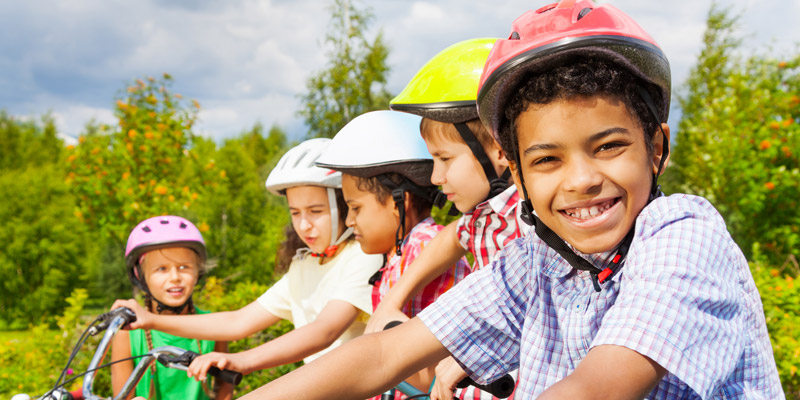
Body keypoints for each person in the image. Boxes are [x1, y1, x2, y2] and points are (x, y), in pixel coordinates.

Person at [239, 1, 784, 399]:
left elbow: (598, 389)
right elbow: (383, 353)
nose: (580, 180)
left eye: (609, 146)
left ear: (656, 147)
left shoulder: (683, 236)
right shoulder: (536, 262)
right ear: (517, 173)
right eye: (547, 160)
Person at [113, 138, 383, 385]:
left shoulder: (362, 257)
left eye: (316, 211)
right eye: (295, 212)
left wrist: (243, 360)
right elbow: (238, 322)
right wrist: (149, 320)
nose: (304, 225)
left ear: (344, 206)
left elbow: (324, 330)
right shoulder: (304, 265)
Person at [371, 38, 522, 400]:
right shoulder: (481, 219)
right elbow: (451, 238)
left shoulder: (525, 221)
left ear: (499, 151)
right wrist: (395, 298)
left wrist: (474, 355)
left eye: (445, 159)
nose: (436, 177)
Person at [315, 110, 471, 396]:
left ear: (401, 201)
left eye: (356, 207)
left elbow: (432, 369)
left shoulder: (424, 244)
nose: (349, 221)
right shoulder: (395, 255)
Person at [111, 215, 233, 400]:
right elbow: (122, 396)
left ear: (197, 271)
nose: (175, 277)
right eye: (161, 269)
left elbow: (225, 389)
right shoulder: (128, 333)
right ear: (141, 276)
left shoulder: (211, 326)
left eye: (184, 267)